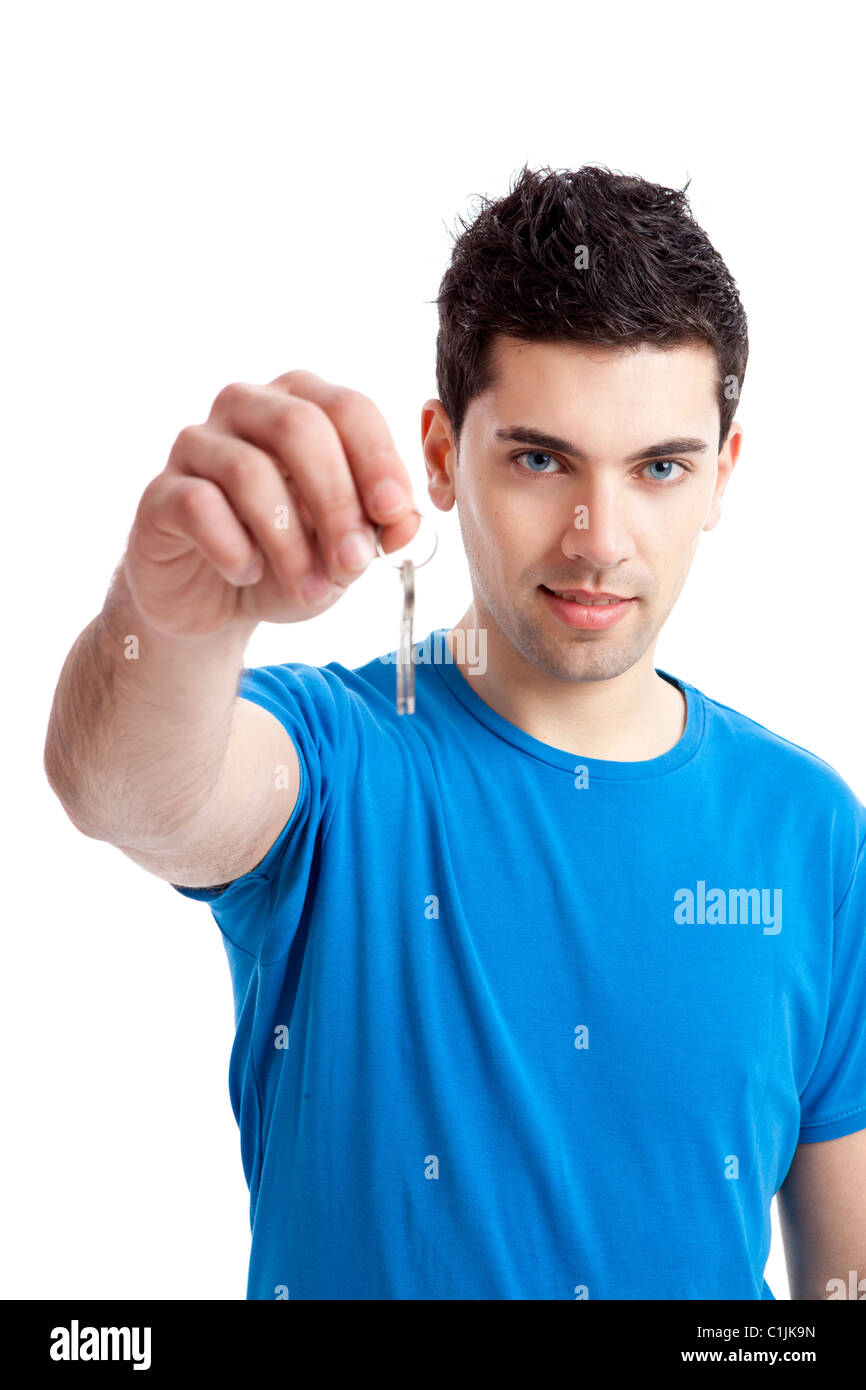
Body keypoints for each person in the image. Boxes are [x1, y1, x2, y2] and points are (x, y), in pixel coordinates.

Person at [44, 164, 866, 1301]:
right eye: (540, 458)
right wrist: (162, 619)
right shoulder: (335, 757)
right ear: (439, 453)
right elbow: (124, 787)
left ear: (720, 474)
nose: (595, 538)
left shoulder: (810, 829)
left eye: (658, 467)